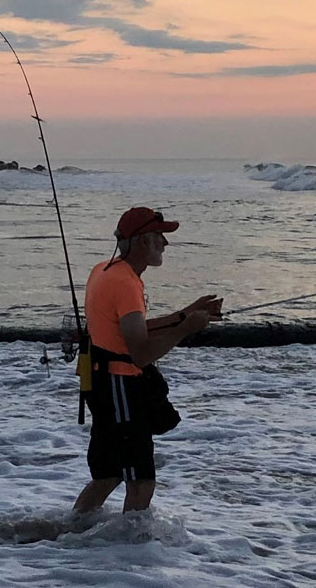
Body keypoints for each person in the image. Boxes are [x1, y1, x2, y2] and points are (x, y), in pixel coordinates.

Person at [73, 206, 223, 514]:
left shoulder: (105, 270)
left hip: (101, 381)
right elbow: (140, 353)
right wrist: (185, 329)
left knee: (108, 475)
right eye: (160, 237)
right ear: (142, 241)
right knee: (141, 481)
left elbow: (129, 328)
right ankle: (131, 553)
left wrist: (186, 312)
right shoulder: (127, 284)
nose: (165, 244)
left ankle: (74, 532)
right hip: (120, 386)